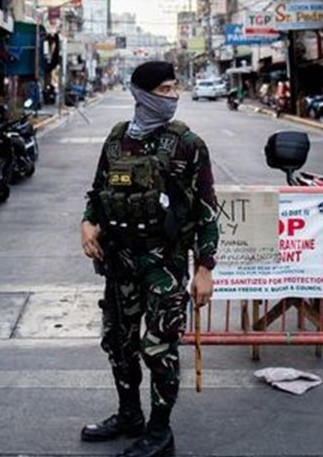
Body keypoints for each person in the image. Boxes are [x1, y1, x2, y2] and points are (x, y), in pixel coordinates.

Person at [80, 61, 219, 457]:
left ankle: (160, 433)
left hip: (164, 267)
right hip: (119, 261)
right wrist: (88, 224)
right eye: (163, 89)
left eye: (175, 88)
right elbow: (97, 192)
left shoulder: (188, 144)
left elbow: (207, 210)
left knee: (158, 346)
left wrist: (205, 268)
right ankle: (129, 416)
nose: (172, 96)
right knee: (119, 344)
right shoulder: (116, 139)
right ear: (141, 94)